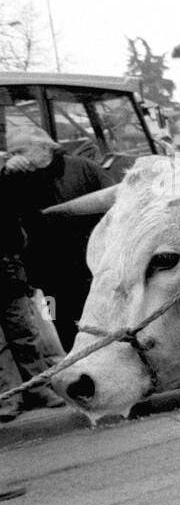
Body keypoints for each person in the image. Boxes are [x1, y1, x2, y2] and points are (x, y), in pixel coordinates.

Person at [1, 125, 114, 350]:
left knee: (97, 323)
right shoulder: (15, 180)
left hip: (89, 269)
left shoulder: (85, 169)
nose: (15, 158)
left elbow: (115, 205)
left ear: (44, 147)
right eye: (11, 153)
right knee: (59, 323)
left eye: (20, 151)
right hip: (46, 277)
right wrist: (5, 174)